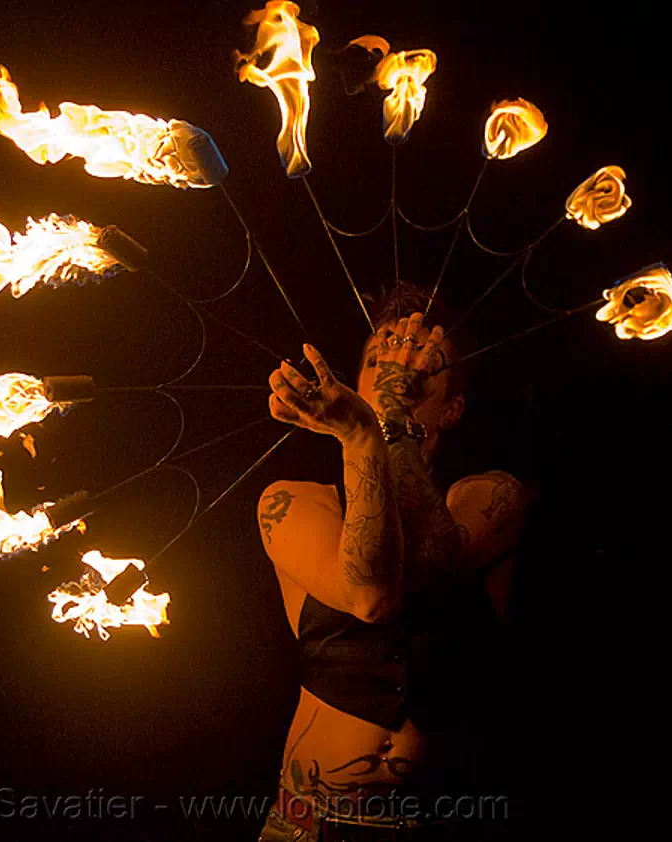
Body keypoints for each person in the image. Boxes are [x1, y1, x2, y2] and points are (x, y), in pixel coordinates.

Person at [255, 283, 526, 840]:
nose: (395, 376)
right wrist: (366, 434)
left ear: (451, 409)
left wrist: (384, 426)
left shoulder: (491, 498)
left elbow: (429, 569)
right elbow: (371, 597)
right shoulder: (294, 503)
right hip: (311, 827)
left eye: (423, 367)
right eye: (379, 362)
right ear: (354, 387)